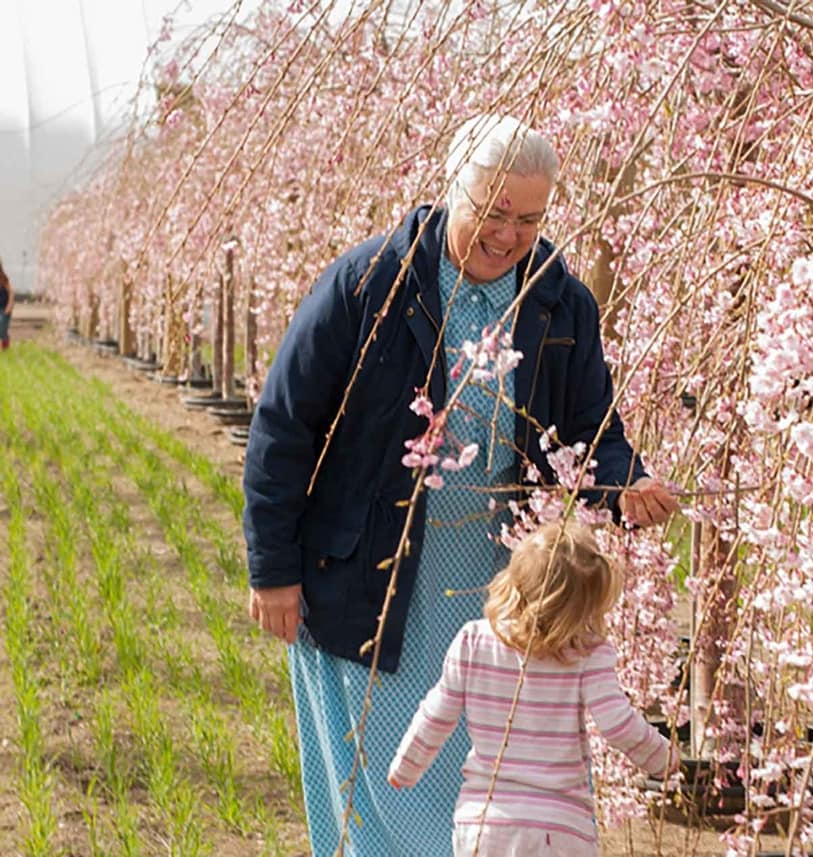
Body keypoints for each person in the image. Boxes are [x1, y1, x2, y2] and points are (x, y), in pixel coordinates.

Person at [242, 114, 679, 857]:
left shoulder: (559, 303)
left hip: (494, 583)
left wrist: (625, 483)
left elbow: (592, 435)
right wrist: (273, 571)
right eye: (493, 211)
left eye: (530, 218)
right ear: (453, 191)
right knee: (377, 782)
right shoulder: (369, 283)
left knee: (483, 779)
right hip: (367, 577)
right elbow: (283, 426)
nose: (508, 235)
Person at [388, 520, 680, 857]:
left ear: (513, 581)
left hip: (483, 823)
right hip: (559, 828)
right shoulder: (587, 654)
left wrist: (405, 767)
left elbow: (436, 715)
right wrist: (663, 758)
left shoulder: (473, 639)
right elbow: (616, 723)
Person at [0, 261, 13, 350]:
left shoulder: (3, 278)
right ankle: (5, 341)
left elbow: (11, 292)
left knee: (2, 325)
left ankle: (4, 344)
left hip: (4, 307)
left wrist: (9, 306)